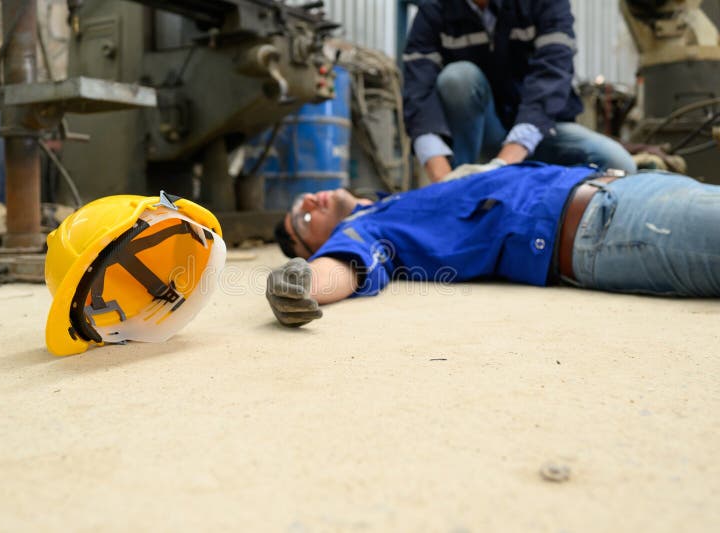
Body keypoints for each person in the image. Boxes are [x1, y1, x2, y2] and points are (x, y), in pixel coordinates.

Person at [266, 163, 720, 326]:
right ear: (314, 246)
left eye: (300, 201)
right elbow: (347, 263)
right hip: (609, 227)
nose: (310, 201)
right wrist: (301, 283)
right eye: (304, 218)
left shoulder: (392, 202)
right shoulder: (364, 229)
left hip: (624, 191)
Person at [402, 0, 637, 183]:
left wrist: (503, 163)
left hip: (541, 130)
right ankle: (462, 189)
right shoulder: (434, 10)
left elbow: (552, 73)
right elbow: (418, 92)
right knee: (458, 78)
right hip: (483, 135)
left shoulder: (544, 4)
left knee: (616, 163)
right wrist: (443, 178)